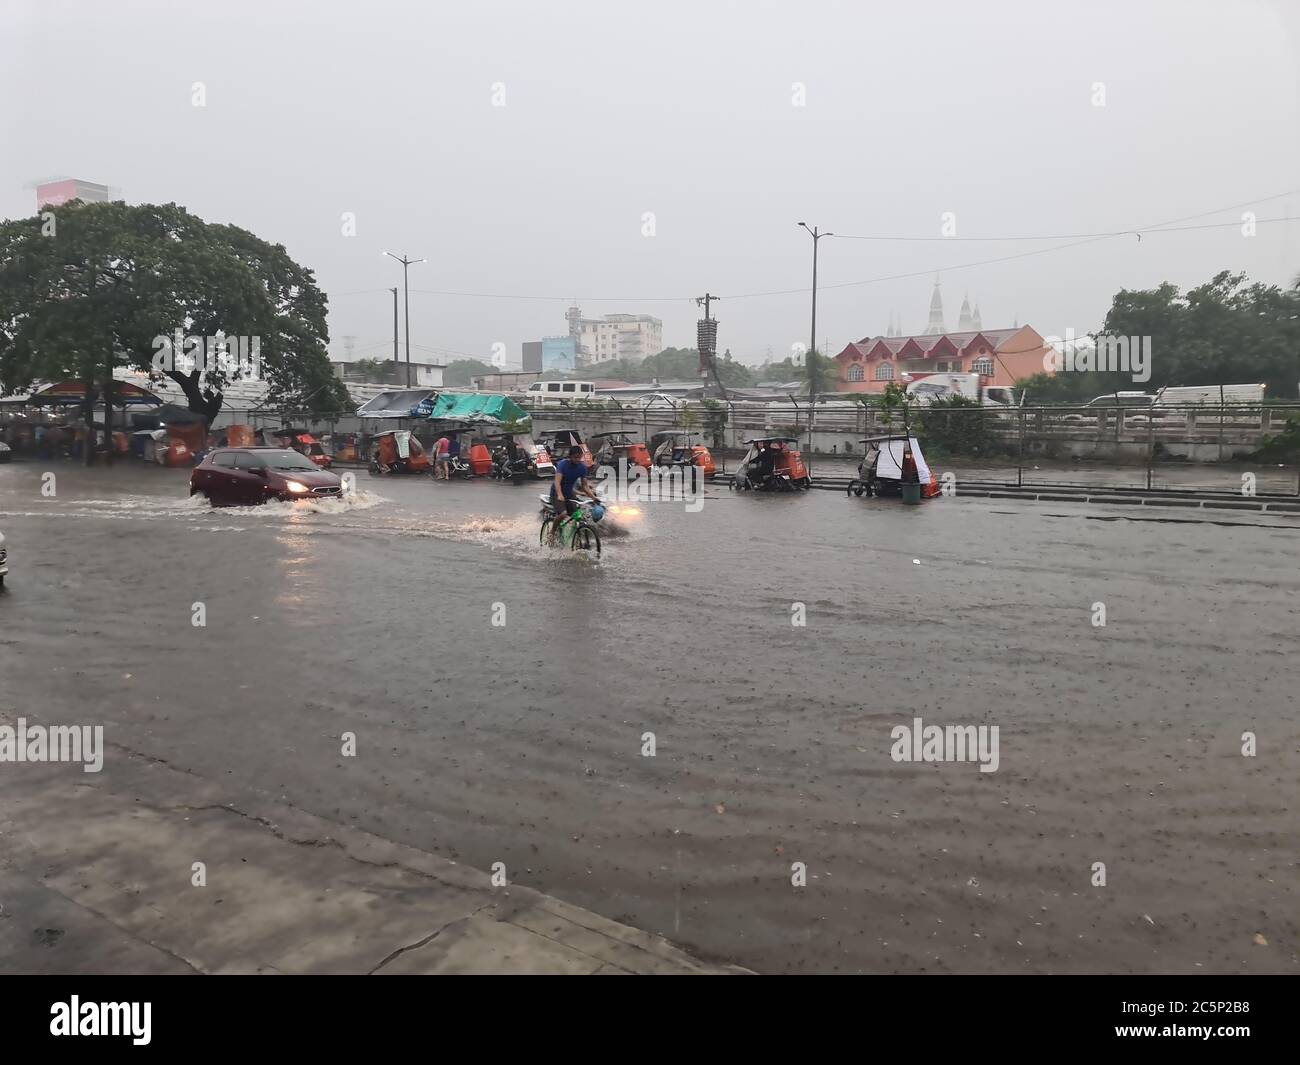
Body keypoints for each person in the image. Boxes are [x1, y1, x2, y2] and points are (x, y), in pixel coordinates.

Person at [549, 444, 592, 543]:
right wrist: (559, 495)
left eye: (579, 457)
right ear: (570, 457)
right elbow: (557, 482)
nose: (577, 460)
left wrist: (593, 498)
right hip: (556, 493)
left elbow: (585, 486)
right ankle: (552, 532)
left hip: (569, 494)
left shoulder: (582, 468)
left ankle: (576, 535)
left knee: (579, 515)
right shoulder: (563, 464)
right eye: (575, 457)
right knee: (563, 514)